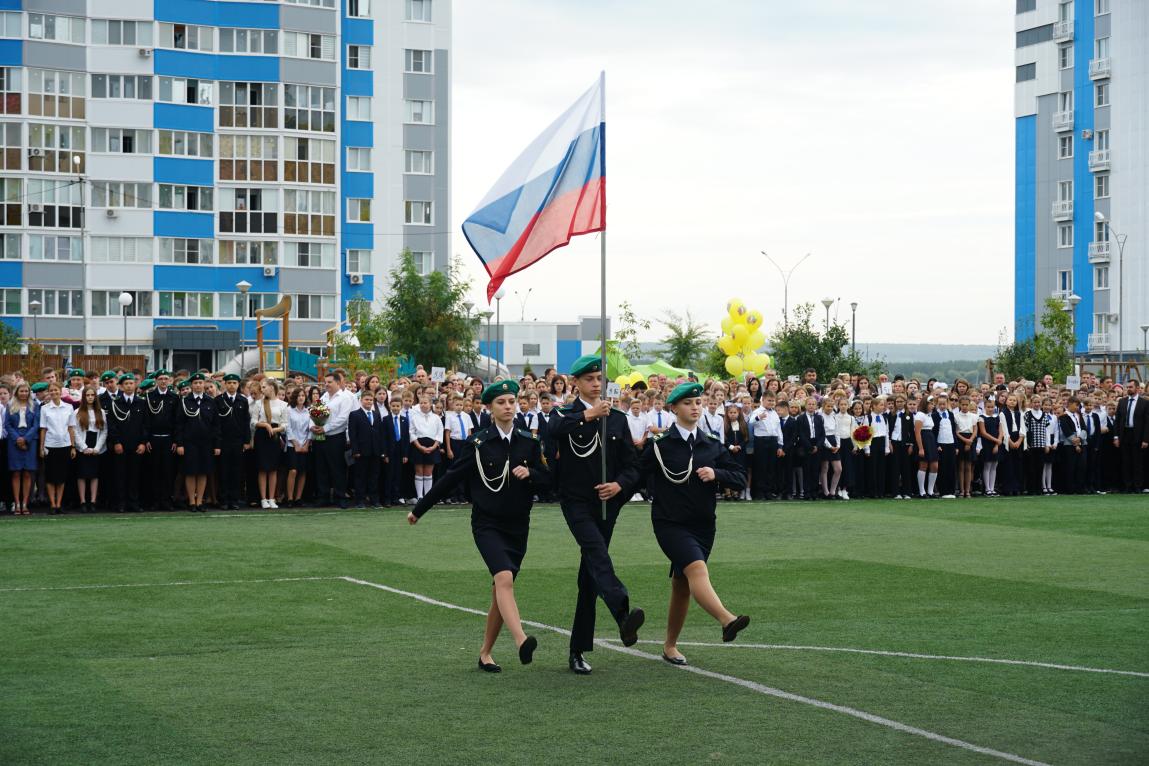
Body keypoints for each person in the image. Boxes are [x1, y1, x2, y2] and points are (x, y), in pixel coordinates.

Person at [409, 380, 549, 672]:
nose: (508, 407)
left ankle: (485, 653)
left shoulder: (529, 441)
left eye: (512, 401)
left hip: (518, 525)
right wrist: (420, 509)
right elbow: (449, 480)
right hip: (487, 524)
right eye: (501, 402)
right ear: (489, 408)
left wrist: (532, 472)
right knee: (504, 579)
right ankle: (521, 639)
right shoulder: (478, 444)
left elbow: (549, 479)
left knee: (500, 592)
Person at [638, 382, 750, 666]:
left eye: (698, 402)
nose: (695, 407)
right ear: (674, 408)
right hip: (670, 523)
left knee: (681, 584)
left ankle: (670, 645)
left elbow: (739, 477)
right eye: (688, 403)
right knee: (696, 569)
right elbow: (634, 476)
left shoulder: (711, 444)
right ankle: (726, 620)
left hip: (703, 525)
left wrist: (717, 473)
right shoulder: (660, 446)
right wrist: (613, 490)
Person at [550, 354, 645, 675]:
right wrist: (588, 416)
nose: (595, 384)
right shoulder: (567, 413)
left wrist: (619, 485)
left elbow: (634, 466)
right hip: (576, 501)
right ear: (575, 383)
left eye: (598, 379)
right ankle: (621, 610)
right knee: (596, 552)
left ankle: (577, 650)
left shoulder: (616, 419)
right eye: (588, 379)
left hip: (607, 504)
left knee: (589, 576)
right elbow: (551, 432)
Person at [176, 372, 220, 513]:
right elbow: (179, 425)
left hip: (206, 443)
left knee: (203, 472)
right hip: (189, 443)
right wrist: (180, 444)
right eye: (195, 383)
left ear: (204, 384)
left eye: (200, 383)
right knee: (190, 472)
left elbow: (216, 425)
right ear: (191, 385)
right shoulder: (185, 401)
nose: (198, 385)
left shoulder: (210, 401)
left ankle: (200, 501)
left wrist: (217, 445)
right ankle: (191, 502)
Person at [108, 374, 148, 513]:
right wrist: (116, 442)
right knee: (120, 475)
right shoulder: (116, 402)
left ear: (135, 385)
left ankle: (134, 502)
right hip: (121, 446)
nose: (129, 386)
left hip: (136, 445)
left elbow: (145, 424)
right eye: (126, 384)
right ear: (121, 386)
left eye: (131, 383)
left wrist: (143, 443)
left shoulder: (141, 403)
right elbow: (112, 425)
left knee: (135, 475)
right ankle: (121, 503)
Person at [38, 382, 76, 514]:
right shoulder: (45, 408)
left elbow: (71, 428)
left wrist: (73, 446)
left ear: (60, 391)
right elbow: (43, 429)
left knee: (61, 477)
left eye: (56, 390)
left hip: (65, 446)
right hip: (50, 446)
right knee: (50, 477)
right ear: (49, 392)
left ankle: (59, 504)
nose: (54, 393)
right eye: (51, 390)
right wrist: (41, 448)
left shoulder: (69, 407)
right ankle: (52, 504)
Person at [215, 373, 251, 510]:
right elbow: (216, 424)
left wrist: (246, 441)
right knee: (224, 471)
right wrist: (217, 443)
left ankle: (234, 499)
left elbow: (245, 422)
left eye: (234, 383)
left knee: (237, 471)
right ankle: (223, 500)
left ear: (238, 385)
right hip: (224, 441)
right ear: (224, 384)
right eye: (229, 383)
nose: (231, 385)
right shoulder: (219, 400)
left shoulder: (242, 400)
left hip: (238, 441)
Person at [145, 370, 179, 511]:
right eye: (160, 379)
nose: (163, 381)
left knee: (168, 471)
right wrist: (146, 439)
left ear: (170, 380)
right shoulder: (149, 396)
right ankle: (155, 501)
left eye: (166, 378)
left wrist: (176, 440)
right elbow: (146, 420)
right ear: (156, 381)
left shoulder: (174, 397)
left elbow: (177, 421)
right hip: (153, 438)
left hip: (168, 439)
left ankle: (166, 500)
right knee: (154, 471)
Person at [251, 378, 288, 509]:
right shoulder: (259, 404)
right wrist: (265, 425)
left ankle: (272, 498)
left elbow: (285, 424)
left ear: (272, 387)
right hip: (262, 436)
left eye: (264, 387)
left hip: (274, 437)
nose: (262, 389)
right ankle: (263, 499)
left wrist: (275, 429)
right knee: (262, 468)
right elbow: (253, 422)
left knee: (273, 468)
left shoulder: (283, 404)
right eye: (262, 387)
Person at [348, 389, 385, 508]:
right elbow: (353, 434)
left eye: (370, 400)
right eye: (366, 399)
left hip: (375, 451)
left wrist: (382, 451)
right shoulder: (354, 414)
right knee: (360, 476)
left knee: (374, 476)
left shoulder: (376, 415)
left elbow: (380, 434)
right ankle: (360, 500)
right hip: (361, 451)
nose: (369, 402)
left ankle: (374, 500)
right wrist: (355, 450)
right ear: (361, 400)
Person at [74, 385, 107, 513]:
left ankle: (93, 501)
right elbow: (75, 431)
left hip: (96, 445)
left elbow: (104, 431)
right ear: (84, 397)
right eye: (87, 395)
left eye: (92, 395)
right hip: (83, 445)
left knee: (94, 475)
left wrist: (97, 447)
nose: (90, 397)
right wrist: (84, 447)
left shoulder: (101, 412)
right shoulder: (77, 412)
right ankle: (83, 501)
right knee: (82, 475)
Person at [6, 383, 37, 515]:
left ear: (29, 392)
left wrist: (26, 439)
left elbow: (36, 424)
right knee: (16, 472)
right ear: (17, 392)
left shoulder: (34, 406)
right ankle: (17, 503)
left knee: (27, 473)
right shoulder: (10, 405)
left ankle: (25, 503)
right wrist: (17, 439)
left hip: (30, 441)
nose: (24, 393)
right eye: (21, 391)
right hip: (14, 442)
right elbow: (7, 425)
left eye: (26, 391)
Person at [409, 386, 444, 502]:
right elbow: (412, 432)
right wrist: (419, 446)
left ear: (430, 404)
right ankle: (420, 496)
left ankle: (428, 496)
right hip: (418, 445)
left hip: (432, 445)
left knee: (428, 472)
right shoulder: (414, 417)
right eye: (421, 403)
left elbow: (440, 433)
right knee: (419, 471)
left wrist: (434, 446)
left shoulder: (436, 418)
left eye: (426, 403)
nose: (423, 405)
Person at [1114, 380, 1148, 493]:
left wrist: (1145, 439)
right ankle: (1127, 486)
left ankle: (1137, 486)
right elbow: (1117, 420)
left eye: (1131, 387)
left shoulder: (1144, 403)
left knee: (1137, 462)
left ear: (1137, 388)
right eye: (1127, 387)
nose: (1128, 389)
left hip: (1138, 435)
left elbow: (1147, 422)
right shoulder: (1122, 402)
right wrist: (1116, 437)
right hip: (1124, 434)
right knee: (1126, 462)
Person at [284, 386, 312, 508]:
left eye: (303, 395)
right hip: (292, 445)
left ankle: (298, 498)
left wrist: (306, 444)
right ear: (295, 397)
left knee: (302, 471)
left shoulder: (309, 411)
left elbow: (311, 428)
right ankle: (290, 498)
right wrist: (295, 444)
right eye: (299, 395)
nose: (301, 398)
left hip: (305, 445)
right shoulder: (289, 410)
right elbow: (288, 428)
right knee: (293, 470)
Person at [381, 396, 410, 507]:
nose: (396, 408)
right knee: (389, 475)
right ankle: (387, 498)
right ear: (390, 406)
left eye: (398, 406)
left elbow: (406, 438)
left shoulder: (404, 420)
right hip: (390, 451)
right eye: (393, 406)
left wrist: (405, 454)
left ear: (401, 407)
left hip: (400, 452)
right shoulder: (386, 419)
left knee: (398, 475)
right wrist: (385, 454)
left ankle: (395, 497)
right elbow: (383, 438)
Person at [913, 394, 939, 499]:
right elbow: (917, 432)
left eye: (933, 404)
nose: (933, 406)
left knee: (934, 466)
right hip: (923, 440)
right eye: (931, 404)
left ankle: (930, 490)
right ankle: (922, 491)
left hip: (931, 439)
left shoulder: (929, 415)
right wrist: (921, 448)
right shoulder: (920, 415)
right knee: (923, 465)